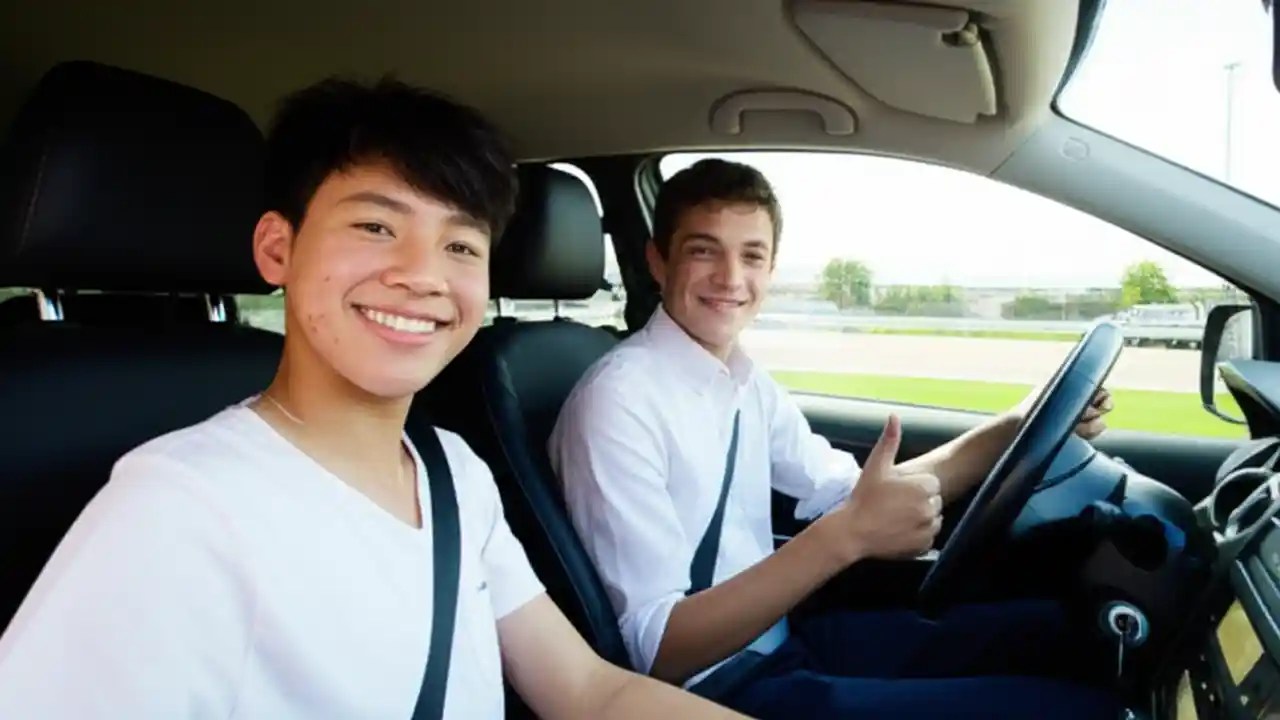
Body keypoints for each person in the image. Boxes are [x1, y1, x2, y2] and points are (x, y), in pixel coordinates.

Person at [0, 79, 748, 720]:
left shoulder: (453, 470)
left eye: (460, 245)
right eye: (375, 226)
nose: (423, 274)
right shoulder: (177, 510)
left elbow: (589, 693)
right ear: (277, 249)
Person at [548, 158, 1121, 719]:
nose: (730, 278)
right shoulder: (618, 401)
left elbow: (855, 496)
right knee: (1074, 709)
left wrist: (1016, 427)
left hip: (785, 645)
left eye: (752, 255)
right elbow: (660, 654)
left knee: (1068, 634)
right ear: (657, 259)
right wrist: (842, 538)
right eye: (703, 250)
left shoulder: (743, 381)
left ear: (771, 271)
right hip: (715, 691)